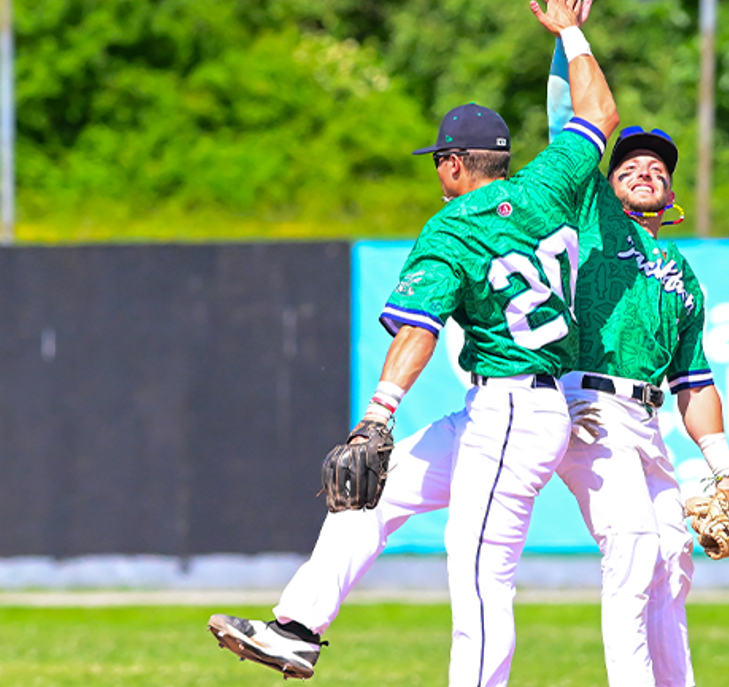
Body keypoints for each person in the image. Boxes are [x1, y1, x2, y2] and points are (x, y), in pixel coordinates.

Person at [206, 2, 619, 685]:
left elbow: (417, 329)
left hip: (515, 410)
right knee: (374, 492)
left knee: (479, 569)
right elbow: (598, 113)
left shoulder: (452, 227)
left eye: (440, 161)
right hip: (512, 409)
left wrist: (379, 412)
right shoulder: (549, 186)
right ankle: (295, 629)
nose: (438, 172)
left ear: (456, 163)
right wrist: (569, 32)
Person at [545, 16, 729, 687]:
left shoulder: (683, 274)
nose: (640, 170)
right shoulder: (591, 215)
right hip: (589, 404)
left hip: (646, 420)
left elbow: (694, 379)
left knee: (670, 559)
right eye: (627, 164)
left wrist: (724, 470)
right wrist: (567, 34)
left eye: (654, 166)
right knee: (632, 554)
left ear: (669, 190)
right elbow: (569, 116)